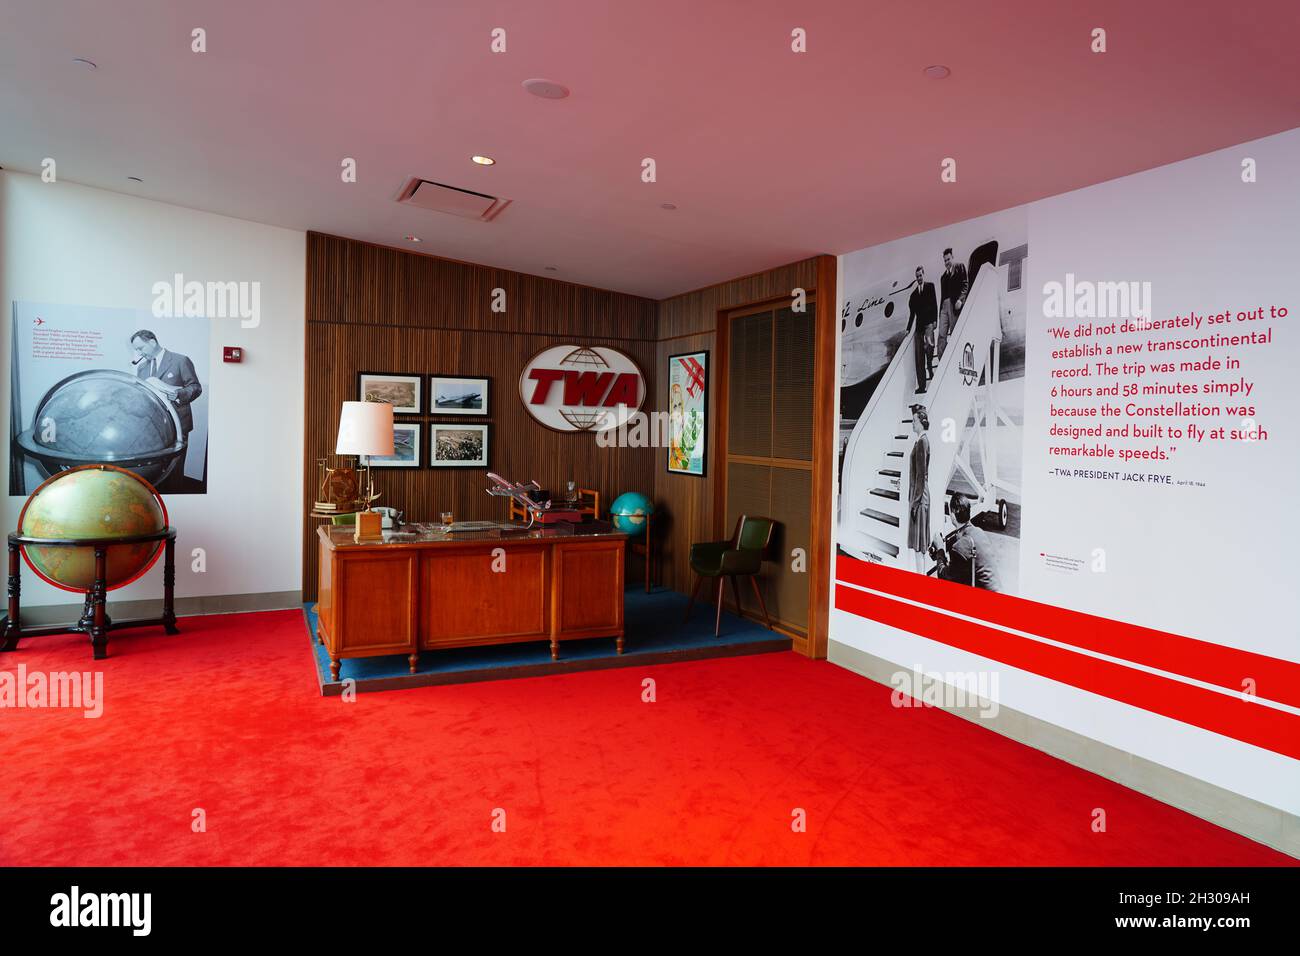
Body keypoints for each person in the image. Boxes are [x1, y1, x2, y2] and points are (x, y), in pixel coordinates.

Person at [130, 329, 202, 488]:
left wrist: (178, 394)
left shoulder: (180, 360)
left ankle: (176, 496)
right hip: (153, 427)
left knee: (175, 468)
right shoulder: (141, 368)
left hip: (177, 424)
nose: (139, 353)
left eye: (140, 348)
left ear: (152, 342)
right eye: (137, 350)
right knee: (156, 468)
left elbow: (196, 387)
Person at [937, 493, 1002, 591]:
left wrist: (940, 549)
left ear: (953, 516)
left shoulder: (960, 546)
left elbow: (944, 576)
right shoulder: (979, 532)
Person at [905, 266, 938, 393]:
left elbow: (934, 304)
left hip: (929, 324)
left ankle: (929, 366)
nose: (919, 278)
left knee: (929, 348)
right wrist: (908, 329)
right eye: (917, 276)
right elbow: (912, 314)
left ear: (924, 274)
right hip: (919, 327)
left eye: (920, 275)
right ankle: (922, 386)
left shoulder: (930, 287)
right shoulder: (913, 295)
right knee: (919, 358)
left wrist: (935, 321)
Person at [906, 404, 930, 574]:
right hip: (919, 498)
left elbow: (920, 476)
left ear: (921, 422)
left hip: (920, 499)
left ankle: (920, 580)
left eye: (914, 420)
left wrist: (914, 504)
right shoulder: (921, 441)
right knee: (919, 546)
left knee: (919, 547)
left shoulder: (922, 442)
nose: (912, 423)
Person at [938, 247, 968, 360]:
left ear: (952, 257)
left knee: (954, 332)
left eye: (948, 259)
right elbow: (942, 296)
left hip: (954, 304)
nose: (947, 262)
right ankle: (942, 360)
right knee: (941, 334)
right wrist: (940, 312)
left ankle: (956, 359)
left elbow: (965, 285)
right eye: (945, 260)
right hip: (944, 307)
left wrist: (960, 299)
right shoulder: (943, 277)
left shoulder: (960, 267)